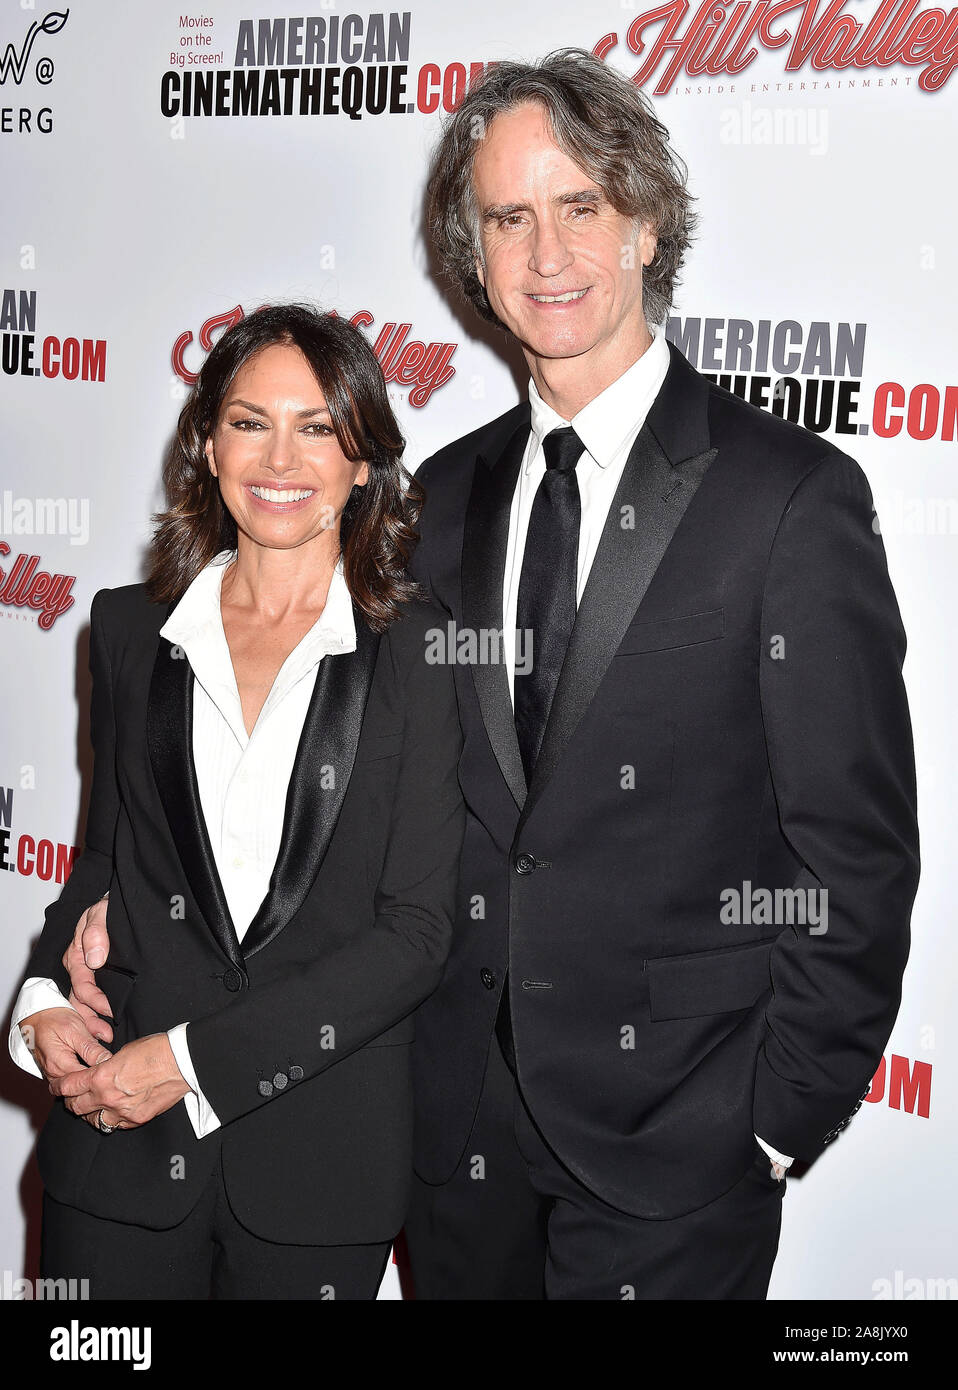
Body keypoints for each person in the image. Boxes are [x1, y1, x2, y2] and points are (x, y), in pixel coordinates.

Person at [61, 50, 920, 1302]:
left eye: (582, 206)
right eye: (509, 217)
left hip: (679, 1146)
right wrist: (118, 909)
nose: (547, 251)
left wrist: (775, 1122)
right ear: (475, 259)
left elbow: (855, 853)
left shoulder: (786, 495)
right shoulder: (433, 503)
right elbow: (335, 783)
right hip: (451, 1137)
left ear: (644, 226)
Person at [8, 303, 464, 1300]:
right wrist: (42, 1000)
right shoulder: (130, 631)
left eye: (316, 425)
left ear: (362, 458)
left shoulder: (421, 650)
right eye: (251, 421)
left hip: (317, 1171)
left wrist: (186, 1061)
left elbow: (416, 933)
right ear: (208, 443)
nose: (280, 457)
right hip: (112, 1156)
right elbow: (101, 860)